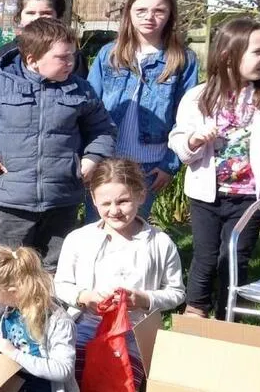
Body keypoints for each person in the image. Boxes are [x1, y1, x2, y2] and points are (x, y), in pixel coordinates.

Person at [0, 17, 116, 273]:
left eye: (72, 56)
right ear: (32, 60)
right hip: (12, 198)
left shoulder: (80, 90)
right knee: (12, 267)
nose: (71, 63)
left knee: (55, 266)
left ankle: (49, 313)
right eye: (62, 57)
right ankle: (5, 314)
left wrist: (93, 158)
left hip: (62, 196)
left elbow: (103, 129)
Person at [167, 18, 260, 319]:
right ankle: (196, 312)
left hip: (250, 198)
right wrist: (194, 139)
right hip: (207, 195)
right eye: (257, 52)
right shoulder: (198, 98)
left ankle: (228, 315)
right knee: (205, 256)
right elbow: (178, 142)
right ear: (229, 55)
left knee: (235, 256)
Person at [55, 158, 184, 389]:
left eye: (123, 201)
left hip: (134, 331)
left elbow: (176, 292)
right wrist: (83, 297)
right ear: (93, 200)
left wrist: (144, 299)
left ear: (141, 196)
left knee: (120, 379)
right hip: (84, 325)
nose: (114, 211)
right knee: (70, 374)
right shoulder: (79, 239)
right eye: (106, 203)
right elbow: (61, 283)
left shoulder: (160, 243)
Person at [85, 0, 200, 222]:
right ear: (129, 13)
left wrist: (170, 164)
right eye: (141, 10)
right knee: (95, 229)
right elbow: (89, 107)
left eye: (159, 11)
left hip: (148, 166)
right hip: (106, 160)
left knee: (132, 230)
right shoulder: (109, 54)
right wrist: (89, 156)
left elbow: (187, 117)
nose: (150, 17)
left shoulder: (182, 60)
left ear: (170, 15)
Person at [0, 245, 78, 392]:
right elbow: (3, 342)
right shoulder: (12, 310)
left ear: (13, 292)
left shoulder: (58, 322)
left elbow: (63, 370)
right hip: (15, 383)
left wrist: (14, 354)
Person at [0, 0, 88, 79]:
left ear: (58, 16)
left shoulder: (71, 56)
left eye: (46, 13)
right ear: (19, 17)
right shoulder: (4, 55)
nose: (37, 18)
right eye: (30, 13)